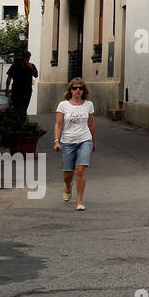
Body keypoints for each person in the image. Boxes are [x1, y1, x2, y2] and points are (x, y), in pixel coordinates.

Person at [53, 79, 95, 210]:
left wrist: (93, 141)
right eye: (75, 88)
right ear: (70, 90)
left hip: (84, 140)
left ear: (84, 91)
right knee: (67, 174)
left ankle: (80, 201)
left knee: (80, 170)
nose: (78, 90)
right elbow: (59, 125)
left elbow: (91, 125)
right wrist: (56, 141)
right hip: (67, 142)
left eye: (80, 88)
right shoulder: (63, 105)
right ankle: (68, 186)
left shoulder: (88, 105)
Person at [4, 51, 38, 123]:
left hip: (27, 90)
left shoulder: (31, 65)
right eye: (26, 57)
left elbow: (36, 75)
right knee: (16, 107)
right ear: (23, 58)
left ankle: (23, 122)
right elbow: (9, 77)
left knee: (24, 108)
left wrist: (31, 68)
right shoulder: (15, 65)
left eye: (28, 58)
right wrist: (7, 89)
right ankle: (17, 123)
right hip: (16, 90)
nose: (27, 59)